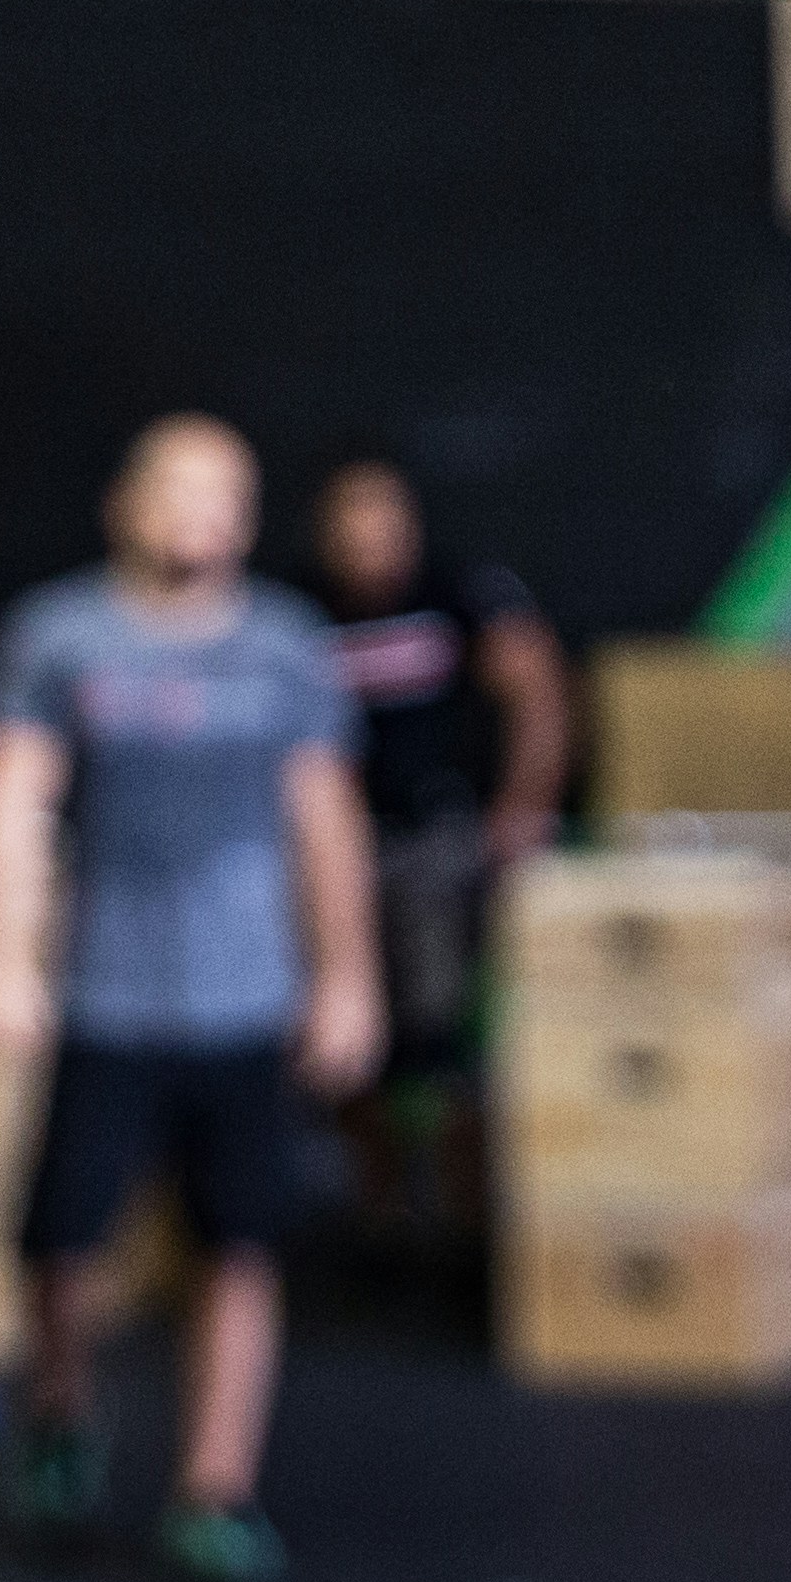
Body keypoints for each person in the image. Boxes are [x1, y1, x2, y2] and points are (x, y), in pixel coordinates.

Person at [0, 415, 381, 1582]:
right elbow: (9, 807)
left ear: (246, 519)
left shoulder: (285, 649)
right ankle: (58, 1417)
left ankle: (213, 1492)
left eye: (222, 494)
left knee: (239, 1249)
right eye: (174, 490)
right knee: (58, 1248)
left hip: (243, 1004)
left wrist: (346, 980)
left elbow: (324, 822)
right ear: (126, 505)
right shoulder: (60, 638)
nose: (196, 513)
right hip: (102, 998)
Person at [307, 458, 568, 1230]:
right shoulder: (302, 611)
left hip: (435, 847)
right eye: (349, 521)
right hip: (337, 858)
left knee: (442, 1039)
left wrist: (523, 806)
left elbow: (537, 689)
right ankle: (379, 1217)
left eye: (380, 517)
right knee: (351, 1048)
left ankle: (465, 1223)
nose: (366, 537)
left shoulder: (456, 593)